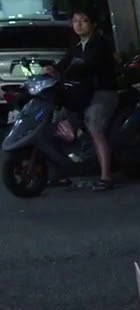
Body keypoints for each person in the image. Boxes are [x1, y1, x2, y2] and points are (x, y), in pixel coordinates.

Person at [46, 10, 117, 191]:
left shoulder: (100, 44)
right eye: (75, 21)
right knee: (55, 123)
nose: (78, 24)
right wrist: (51, 70)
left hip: (102, 92)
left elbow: (90, 65)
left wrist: (75, 70)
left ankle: (106, 177)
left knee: (95, 126)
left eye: (84, 20)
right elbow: (63, 65)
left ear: (93, 24)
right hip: (79, 92)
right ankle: (60, 173)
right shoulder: (76, 46)